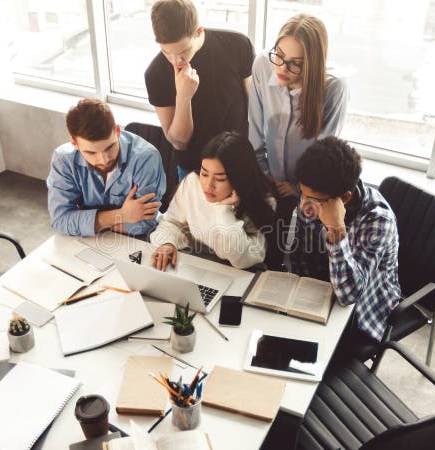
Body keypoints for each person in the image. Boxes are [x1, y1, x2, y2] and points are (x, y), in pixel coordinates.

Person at [248, 14, 349, 267]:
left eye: (295, 64)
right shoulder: (262, 65)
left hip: (307, 191)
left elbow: (326, 152)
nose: (281, 68)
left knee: (301, 261)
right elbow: (254, 128)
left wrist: (300, 189)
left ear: (313, 65)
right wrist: (263, 174)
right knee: (266, 255)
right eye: (279, 55)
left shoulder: (334, 89)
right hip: (269, 179)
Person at [292, 136, 401, 350]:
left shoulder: (378, 220)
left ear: (344, 198)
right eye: (302, 195)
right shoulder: (313, 197)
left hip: (362, 314)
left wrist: (336, 230)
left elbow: (349, 295)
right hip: (321, 295)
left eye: (313, 200)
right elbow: (302, 257)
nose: (304, 206)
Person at [145, 0, 254, 181]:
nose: (176, 60)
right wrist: (183, 97)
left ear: (199, 32)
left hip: (239, 160)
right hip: (195, 170)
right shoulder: (155, 73)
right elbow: (180, 142)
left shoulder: (238, 45)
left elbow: (254, 108)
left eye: (183, 51)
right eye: (166, 52)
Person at [150, 132, 274, 270]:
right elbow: (172, 222)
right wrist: (168, 243)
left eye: (220, 179)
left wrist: (224, 210)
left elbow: (241, 259)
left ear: (239, 178)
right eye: (204, 173)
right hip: (196, 267)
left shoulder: (263, 202)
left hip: (238, 275)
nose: (208, 185)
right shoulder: (193, 183)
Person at [47, 99, 166, 237]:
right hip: (88, 242)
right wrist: (121, 215)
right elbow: (60, 220)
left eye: (110, 147)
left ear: (117, 130)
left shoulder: (147, 158)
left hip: (134, 240)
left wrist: (87, 223)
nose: (104, 160)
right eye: (91, 152)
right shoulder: (63, 160)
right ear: (74, 143)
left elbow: (146, 224)